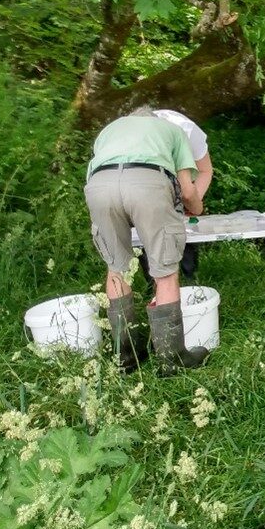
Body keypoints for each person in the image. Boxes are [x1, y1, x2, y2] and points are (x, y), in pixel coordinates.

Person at [84, 109, 209, 375]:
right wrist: (197, 208)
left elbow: (98, 175)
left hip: (99, 187)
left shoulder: (110, 129)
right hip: (148, 184)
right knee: (165, 272)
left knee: (116, 269)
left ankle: (126, 357)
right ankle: (172, 360)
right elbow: (188, 191)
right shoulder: (172, 130)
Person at [138, 109, 213, 286]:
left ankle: (190, 281)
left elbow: (205, 171)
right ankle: (154, 284)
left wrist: (193, 202)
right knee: (148, 229)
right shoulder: (130, 134)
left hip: (179, 183)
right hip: (142, 186)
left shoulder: (187, 131)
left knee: (184, 227)